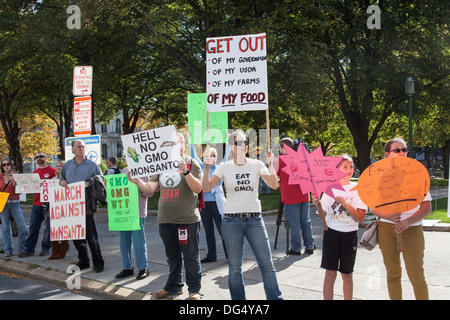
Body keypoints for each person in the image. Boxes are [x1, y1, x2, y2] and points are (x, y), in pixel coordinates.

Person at [202, 129, 283, 300]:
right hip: (231, 221)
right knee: (235, 267)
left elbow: (274, 185)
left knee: (267, 264)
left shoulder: (256, 164)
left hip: (255, 219)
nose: (244, 145)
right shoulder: (224, 167)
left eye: (246, 142)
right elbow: (207, 187)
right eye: (240, 143)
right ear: (231, 146)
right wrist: (207, 167)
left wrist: (270, 164)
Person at [128, 132, 203, 300]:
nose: (173, 146)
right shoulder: (160, 165)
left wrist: (186, 172)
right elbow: (150, 190)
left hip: (187, 219)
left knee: (191, 256)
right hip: (165, 219)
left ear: (183, 145)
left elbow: (198, 188)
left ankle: (194, 290)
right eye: (170, 143)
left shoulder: (192, 163)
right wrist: (138, 181)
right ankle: (174, 286)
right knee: (172, 256)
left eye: (177, 143)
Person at [371, 138, 432, 300]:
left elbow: (427, 208)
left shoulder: (417, 174)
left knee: (417, 276)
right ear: (387, 154)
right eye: (397, 150)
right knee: (392, 274)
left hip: (412, 229)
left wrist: (407, 222)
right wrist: (388, 216)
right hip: (386, 228)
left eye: (404, 149)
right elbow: (373, 207)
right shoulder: (379, 177)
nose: (401, 153)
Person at [312, 154, 367, 300]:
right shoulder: (330, 188)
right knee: (330, 273)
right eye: (345, 167)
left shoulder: (358, 189)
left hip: (350, 235)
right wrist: (317, 204)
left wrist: (345, 204)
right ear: (337, 169)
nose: (349, 170)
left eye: (351, 167)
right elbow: (322, 214)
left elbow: (360, 218)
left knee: (347, 274)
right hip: (331, 234)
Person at [59, 140, 105, 272]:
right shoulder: (67, 165)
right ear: (73, 149)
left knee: (91, 237)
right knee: (77, 236)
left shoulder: (92, 165)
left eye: (83, 147)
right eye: (78, 147)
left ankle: (98, 262)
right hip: (71, 207)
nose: (81, 149)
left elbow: (101, 180)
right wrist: (62, 182)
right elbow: (61, 178)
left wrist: (89, 183)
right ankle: (83, 260)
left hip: (87, 205)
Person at [190, 140, 228, 263]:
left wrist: (227, 141)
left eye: (213, 156)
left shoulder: (220, 167)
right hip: (205, 203)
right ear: (204, 157)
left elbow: (227, 155)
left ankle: (230, 255)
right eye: (208, 155)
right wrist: (191, 141)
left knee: (222, 229)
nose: (211, 158)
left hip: (217, 204)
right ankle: (211, 255)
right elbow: (192, 155)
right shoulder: (201, 167)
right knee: (208, 230)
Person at [275, 138, 314, 255]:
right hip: (304, 195)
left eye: (279, 148)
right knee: (306, 222)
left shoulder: (281, 160)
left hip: (290, 197)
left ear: (283, 147)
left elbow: (274, 173)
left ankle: (296, 248)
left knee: (294, 223)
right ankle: (309, 245)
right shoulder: (301, 158)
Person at [115, 164, 151, 280]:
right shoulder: (123, 171)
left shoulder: (144, 171)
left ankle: (143, 268)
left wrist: (137, 183)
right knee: (124, 241)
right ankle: (127, 267)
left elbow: (148, 192)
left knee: (138, 241)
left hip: (137, 211)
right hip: (124, 211)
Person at [20, 152, 56, 258]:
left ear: (46, 158)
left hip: (48, 204)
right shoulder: (35, 172)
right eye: (37, 157)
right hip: (36, 203)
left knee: (47, 228)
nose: (39, 158)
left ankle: (46, 248)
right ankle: (29, 249)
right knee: (33, 227)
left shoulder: (52, 171)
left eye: (41, 156)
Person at [0, 158, 27, 257]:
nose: (6, 166)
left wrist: (16, 183)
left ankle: (21, 249)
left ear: (11, 165)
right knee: (5, 227)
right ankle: (8, 250)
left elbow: (21, 191)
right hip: (3, 204)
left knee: (22, 227)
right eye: (4, 165)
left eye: (8, 164)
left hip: (15, 203)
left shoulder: (16, 175)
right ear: (2, 167)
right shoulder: (0, 177)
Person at [48, 160, 70, 260]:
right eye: (57, 166)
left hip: (66, 206)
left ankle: (63, 250)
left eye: (60, 166)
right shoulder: (53, 179)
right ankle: (55, 250)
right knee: (53, 229)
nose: (58, 168)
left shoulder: (69, 178)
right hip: (54, 206)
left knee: (65, 229)